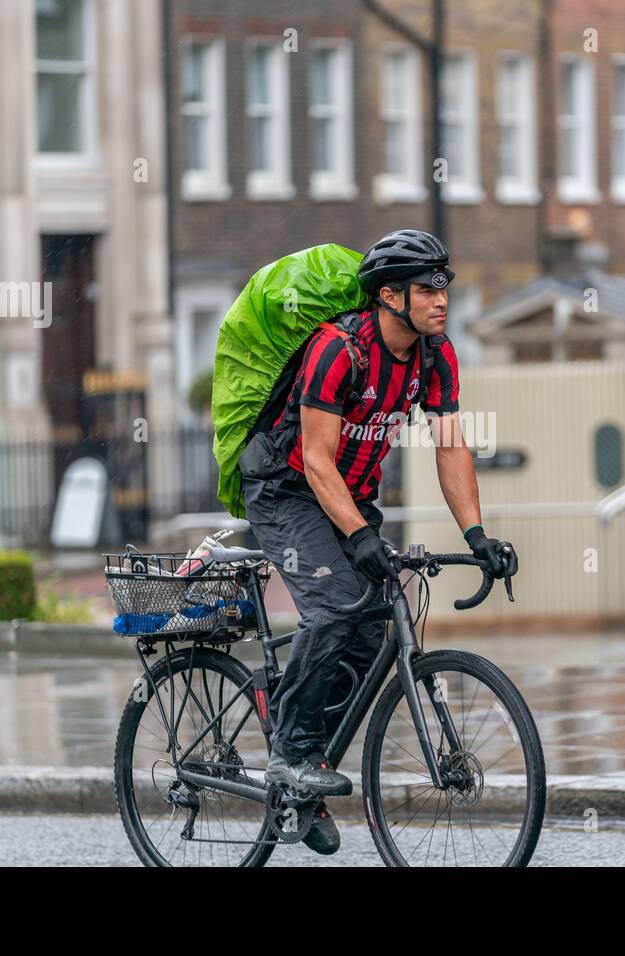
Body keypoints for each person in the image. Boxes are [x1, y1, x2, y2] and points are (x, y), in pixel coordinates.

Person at [241, 229, 517, 855]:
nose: (442, 300)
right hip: (287, 491)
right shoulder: (339, 350)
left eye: (446, 287)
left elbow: (450, 446)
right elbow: (314, 458)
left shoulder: (435, 356)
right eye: (428, 289)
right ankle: (290, 753)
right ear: (389, 296)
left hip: (349, 498)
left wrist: (476, 535)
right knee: (336, 603)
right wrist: (361, 536)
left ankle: (303, 784)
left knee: (370, 630)